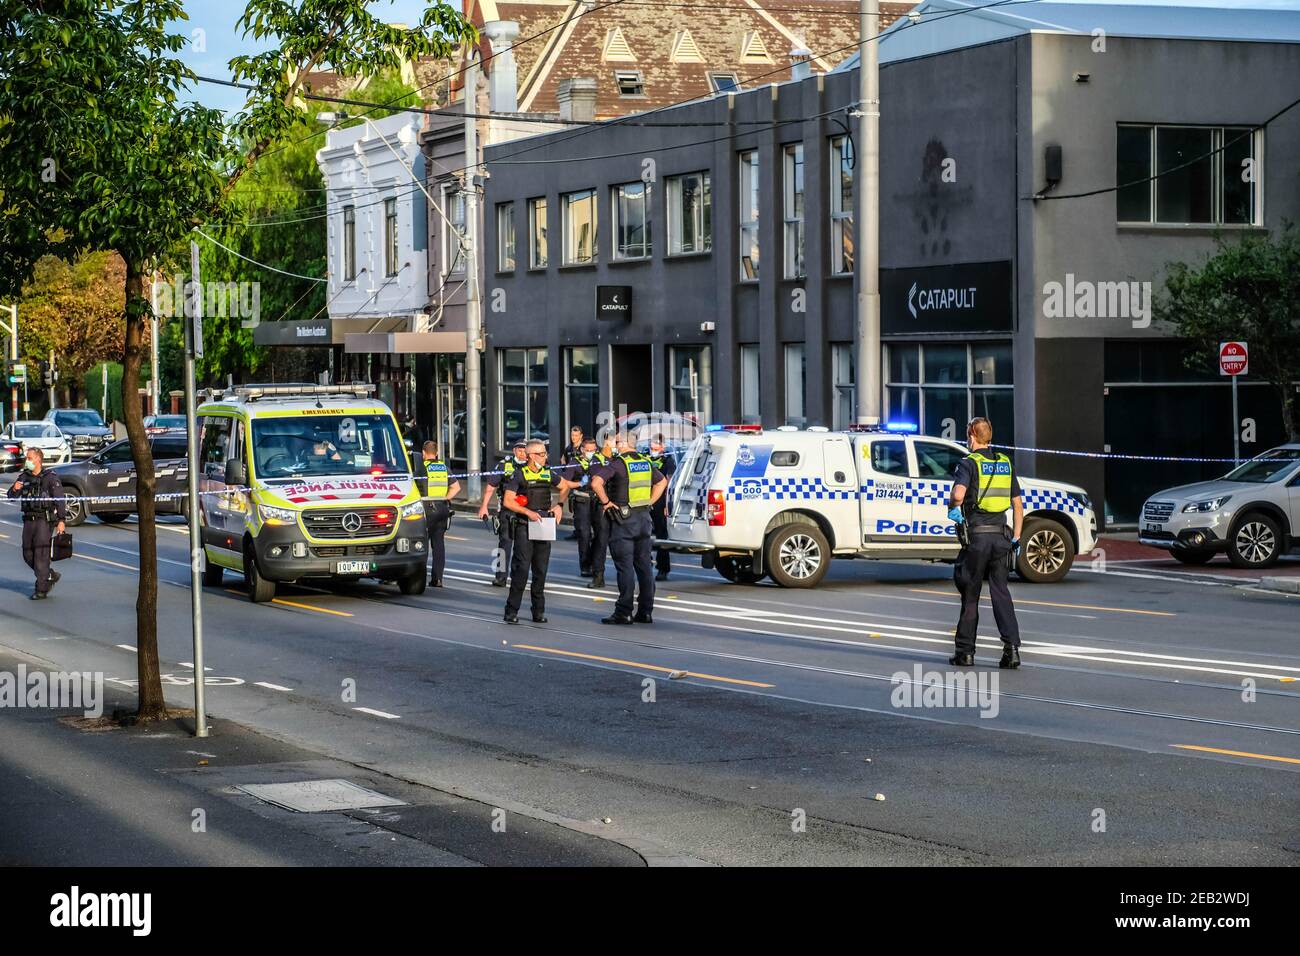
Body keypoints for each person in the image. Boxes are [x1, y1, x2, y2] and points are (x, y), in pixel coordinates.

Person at [948, 416, 1023, 669]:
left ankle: (965, 653)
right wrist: (1017, 538)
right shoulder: (1005, 462)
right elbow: (1017, 505)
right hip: (1002, 536)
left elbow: (958, 494)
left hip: (978, 538)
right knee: (1001, 592)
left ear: (971, 436)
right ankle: (1011, 651)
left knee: (970, 595)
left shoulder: (968, 463)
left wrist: (953, 508)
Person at [590, 432, 667, 625]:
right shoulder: (645, 462)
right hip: (643, 519)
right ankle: (646, 611)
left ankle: (624, 611)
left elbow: (596, 482)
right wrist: (649, 502)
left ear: (624, 444)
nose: (613, 445)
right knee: (645, 567)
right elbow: (662, 482)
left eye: (616, 442)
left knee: (625, 567)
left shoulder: (618, 464)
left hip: (623, 521)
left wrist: (606, 502)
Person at [499, 439, 578, 624]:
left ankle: (538, 611)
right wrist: (528, 512)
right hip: (524, 526)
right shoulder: (520, 475)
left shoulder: (547, 473)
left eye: (545, 453)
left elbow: (564, 486)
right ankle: (511, 611)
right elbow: (508, 501)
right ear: (531, 456)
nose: (545, 457)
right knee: (522, 570)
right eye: (542, 454)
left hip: (543, 525)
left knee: (540, 571)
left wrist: (559, 505)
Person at [7, 448, 67, 600]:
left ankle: (41, 588)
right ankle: (48, 574)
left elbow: (60, 499)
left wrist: (61, 520)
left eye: (30, 458)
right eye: (27, 457)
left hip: (44, 520)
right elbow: (11, 496)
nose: (27, 460)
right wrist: (15, 488)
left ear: (38, 459)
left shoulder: (50, 477)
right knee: (27, 553)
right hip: (28, 520)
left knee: (41, 554)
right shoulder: (24, 476)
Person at [478, 439, 529, 586]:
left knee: (522, 545)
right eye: (519, 450)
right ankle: (500, 577)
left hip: (524, 510)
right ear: (514, 451)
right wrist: (484, 506)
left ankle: (518, 576)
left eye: (525, 450)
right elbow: (491, 486)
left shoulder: (531, 465)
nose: (522, 453)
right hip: (507, 510)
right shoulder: (503, 464)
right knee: (504, 544)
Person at [421, 440, 461, 587]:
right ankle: (437, 578)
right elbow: (456, 488)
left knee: (421, 543)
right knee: (438, 544)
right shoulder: (443, 467)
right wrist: (445, 498)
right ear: (436, 453)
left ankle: (419, 576)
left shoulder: (421, 468)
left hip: (426, 506)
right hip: (442, 507)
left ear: (424, 453)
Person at [584, 433, 616, 588]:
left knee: (621, 540)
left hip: (617, 503)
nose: (616, 445)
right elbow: (596, 481)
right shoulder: (597, 460)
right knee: (601, 540)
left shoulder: (617, 459)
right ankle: (598, 576)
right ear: (606, 444)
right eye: (613, 442)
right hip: (602, 505)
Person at [566, 437, 600, 576]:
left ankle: (596, 562)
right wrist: (579, 483)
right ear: (582, 450)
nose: (591, 452)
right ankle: (585, 566)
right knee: (584, 535)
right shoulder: (574, 463)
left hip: (597, 500)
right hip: (582, 500)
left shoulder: (599, 461)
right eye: (588, 450)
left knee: (601, 534)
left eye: (593, 450)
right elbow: (565, 483)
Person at [646, 434, 676, 581]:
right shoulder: (645, 458)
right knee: (642, 534)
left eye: (655, 447)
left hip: (660, 502)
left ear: (662, 447)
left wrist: (667, 504)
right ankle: (647, 560)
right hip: (645, 500)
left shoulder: (668, 461)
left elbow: (669, 483)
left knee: (661, 535)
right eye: (651, 447)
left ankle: (663, 569)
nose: (653, 450)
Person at [559, 426, 586, 541]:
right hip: (571, 481)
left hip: (582, 481)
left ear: (581, 436)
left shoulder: (584, 449)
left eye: (576, 435)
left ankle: (585, 531)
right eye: (572, 435)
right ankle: (577, 531)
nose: (573, 438)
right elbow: (563, 460)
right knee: (573, 506)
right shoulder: (569, 448)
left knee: (583, 508)